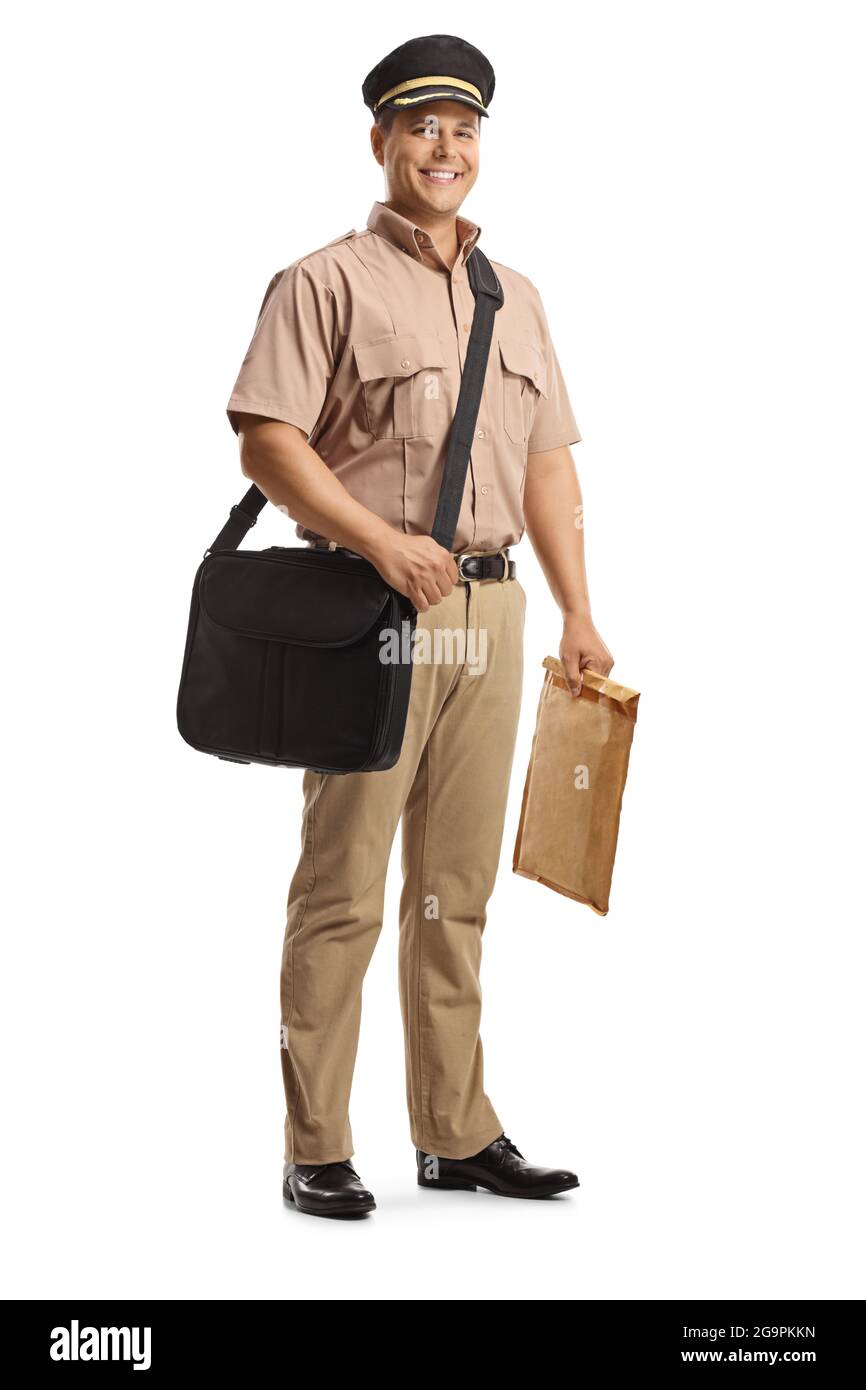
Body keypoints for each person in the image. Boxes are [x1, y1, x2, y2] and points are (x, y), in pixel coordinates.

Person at [225, 33, 614, 1218]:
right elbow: (266, 441)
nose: (444, 148)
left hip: (487, 621)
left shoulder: (517, 297)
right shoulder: (322, 281)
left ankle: (453, 1131)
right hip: (372, 614)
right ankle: (318, 1142)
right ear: (380, 141)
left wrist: (577, 611)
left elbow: (545, 465)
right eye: (421, 126)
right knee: (343, 882)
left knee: (454, 886)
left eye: (463, 128)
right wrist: (377, 541)